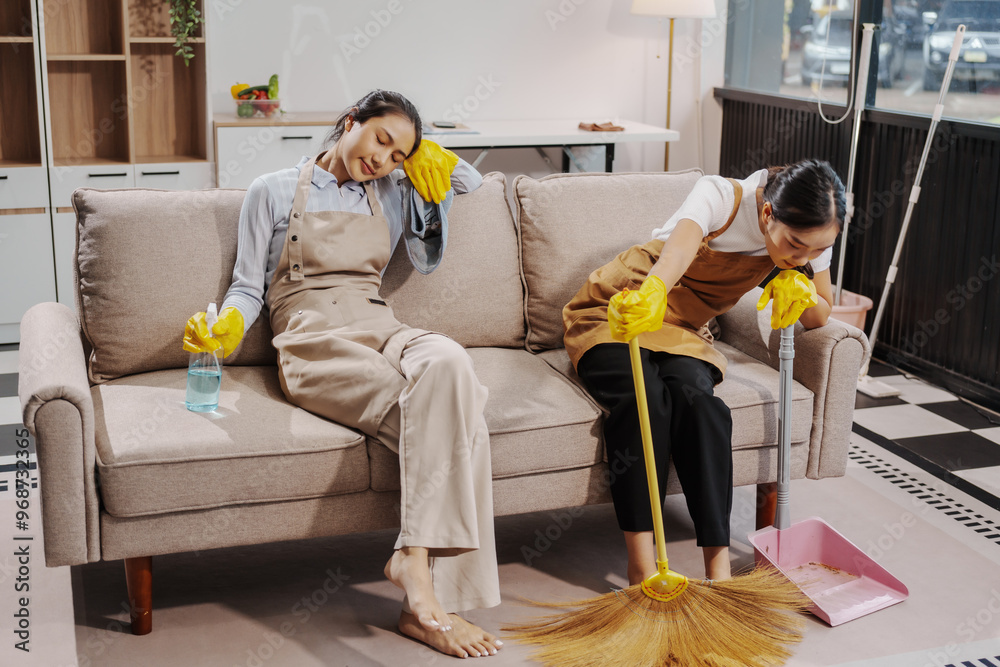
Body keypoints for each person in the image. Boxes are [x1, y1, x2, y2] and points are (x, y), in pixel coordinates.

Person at [183, 90, 503, 659]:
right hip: (314, 340)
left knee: (451, 363)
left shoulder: (392, 192)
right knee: (461, 420)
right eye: (381, 139)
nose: (384, 160)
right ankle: (424, 602)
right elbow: (247, 288)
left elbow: (474, 186)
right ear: (350, 122)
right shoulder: (274, 189)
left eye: (399, 155)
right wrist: (229, 326)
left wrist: (427, 153)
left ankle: (413, 558)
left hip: (381, 326)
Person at [562, 159, 845, 585]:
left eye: (816, 250)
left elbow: (821, 314)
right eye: (794, 246)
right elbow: (677, 252)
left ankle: (718, 568)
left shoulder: (817, 230)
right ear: (768, 215)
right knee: (647, 401)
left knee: (703, 407)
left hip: (684, 328)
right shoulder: (719, 196)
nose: (803, 256)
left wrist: (800, 288)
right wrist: (654, 291)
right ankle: (641, 564)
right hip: (621, 307)